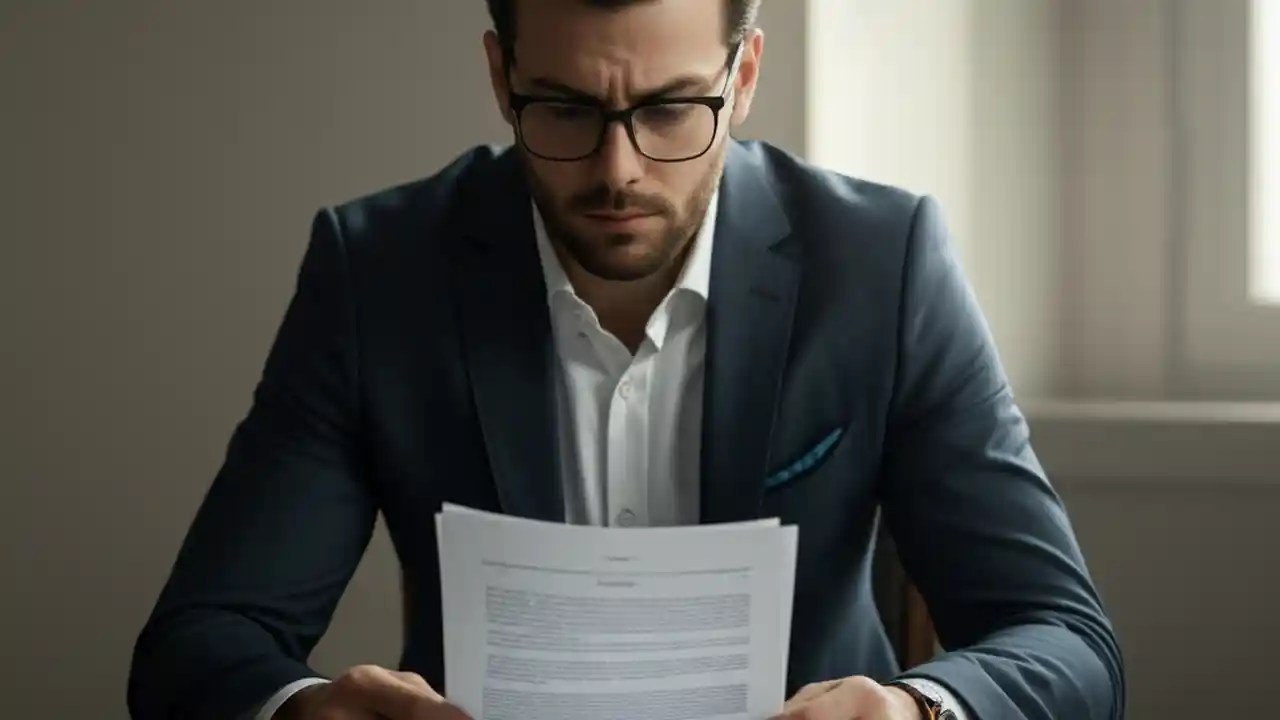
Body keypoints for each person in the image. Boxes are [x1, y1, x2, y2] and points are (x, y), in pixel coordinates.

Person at [128, 1, 1125, 718]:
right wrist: (302, 708)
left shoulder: (882, 263)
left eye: (668, 110)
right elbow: (197, 647)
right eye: (561, 109)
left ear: (741, 76)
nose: (618, 170)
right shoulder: (378, 273)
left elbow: (1067, 643)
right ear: (497, 74)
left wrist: (920, 711)